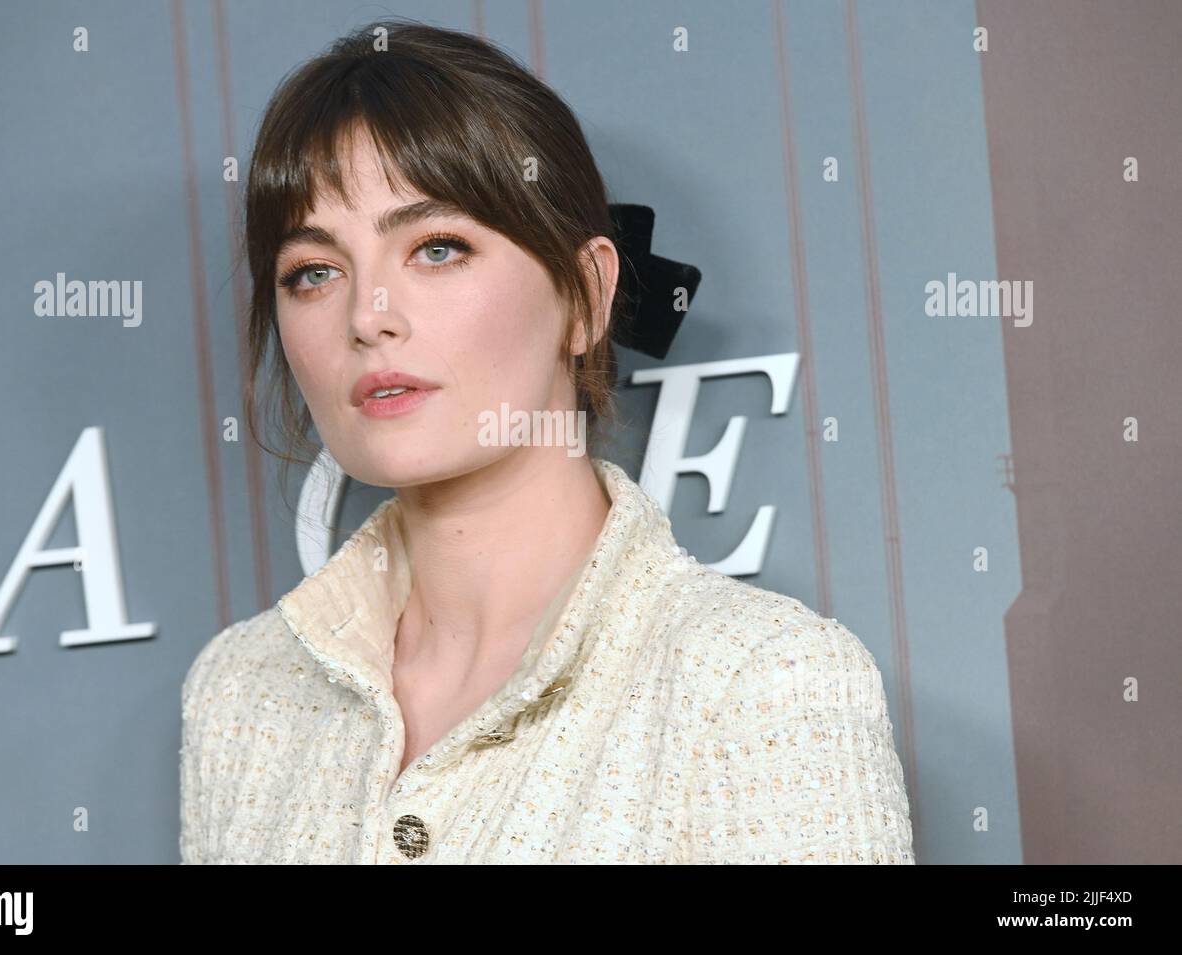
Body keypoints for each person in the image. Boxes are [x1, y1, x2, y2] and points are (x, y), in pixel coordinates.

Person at [179, 18, 915, 864]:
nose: (367, 316)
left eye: (438, 247)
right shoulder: (240, 693)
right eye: (314, 271)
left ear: (586, 293)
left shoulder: (760, 684)